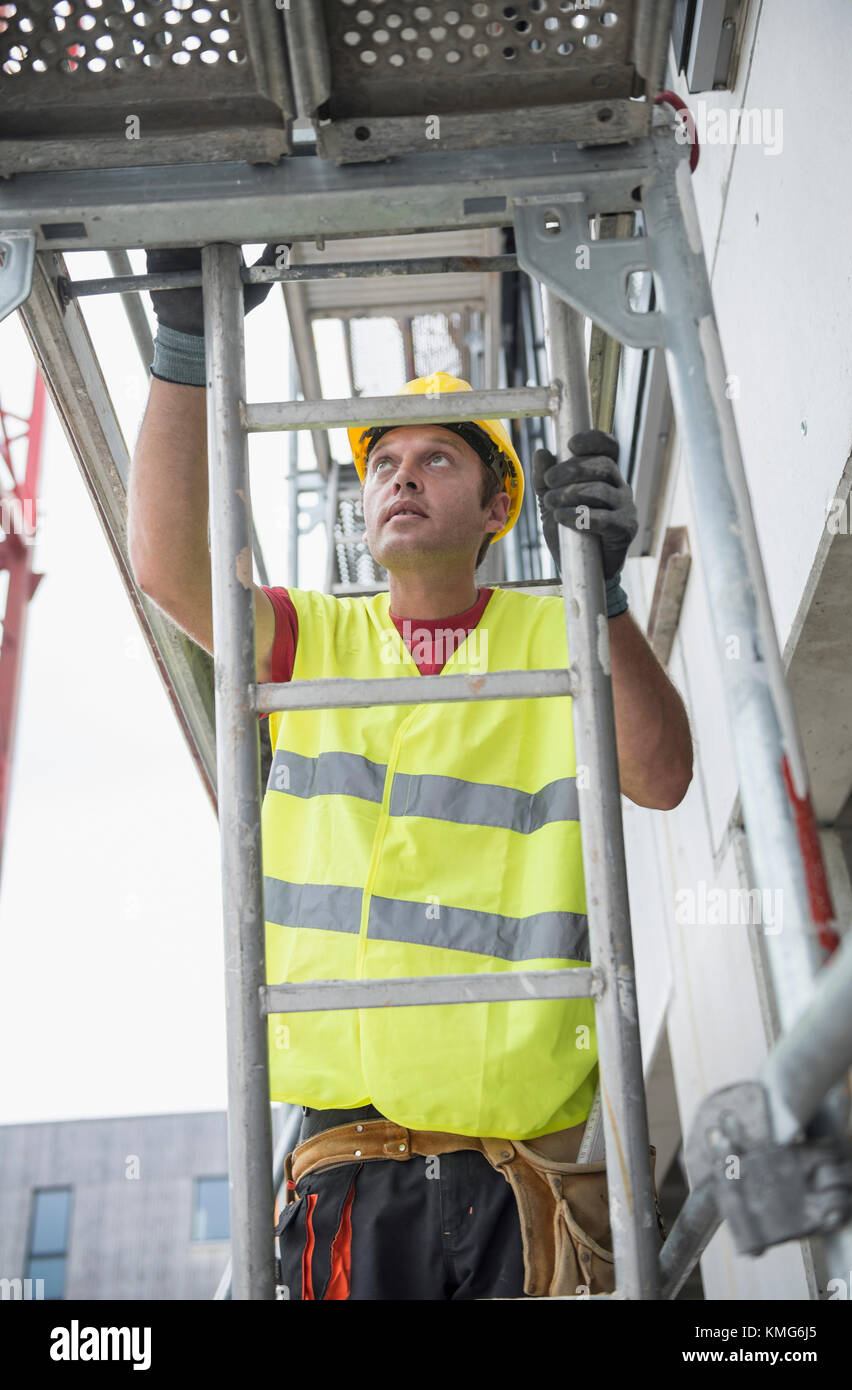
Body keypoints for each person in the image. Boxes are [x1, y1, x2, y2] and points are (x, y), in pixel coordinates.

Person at [129, 249, 692, 1301]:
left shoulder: (558, 632)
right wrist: (183, 346)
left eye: (438, 459)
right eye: (385, 461)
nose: (401, 475)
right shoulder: (312, 638)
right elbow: (165, 562)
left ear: (495, 509)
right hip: (349, 1169)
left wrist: (607, 594)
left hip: (517, 1173)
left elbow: (662, 777)